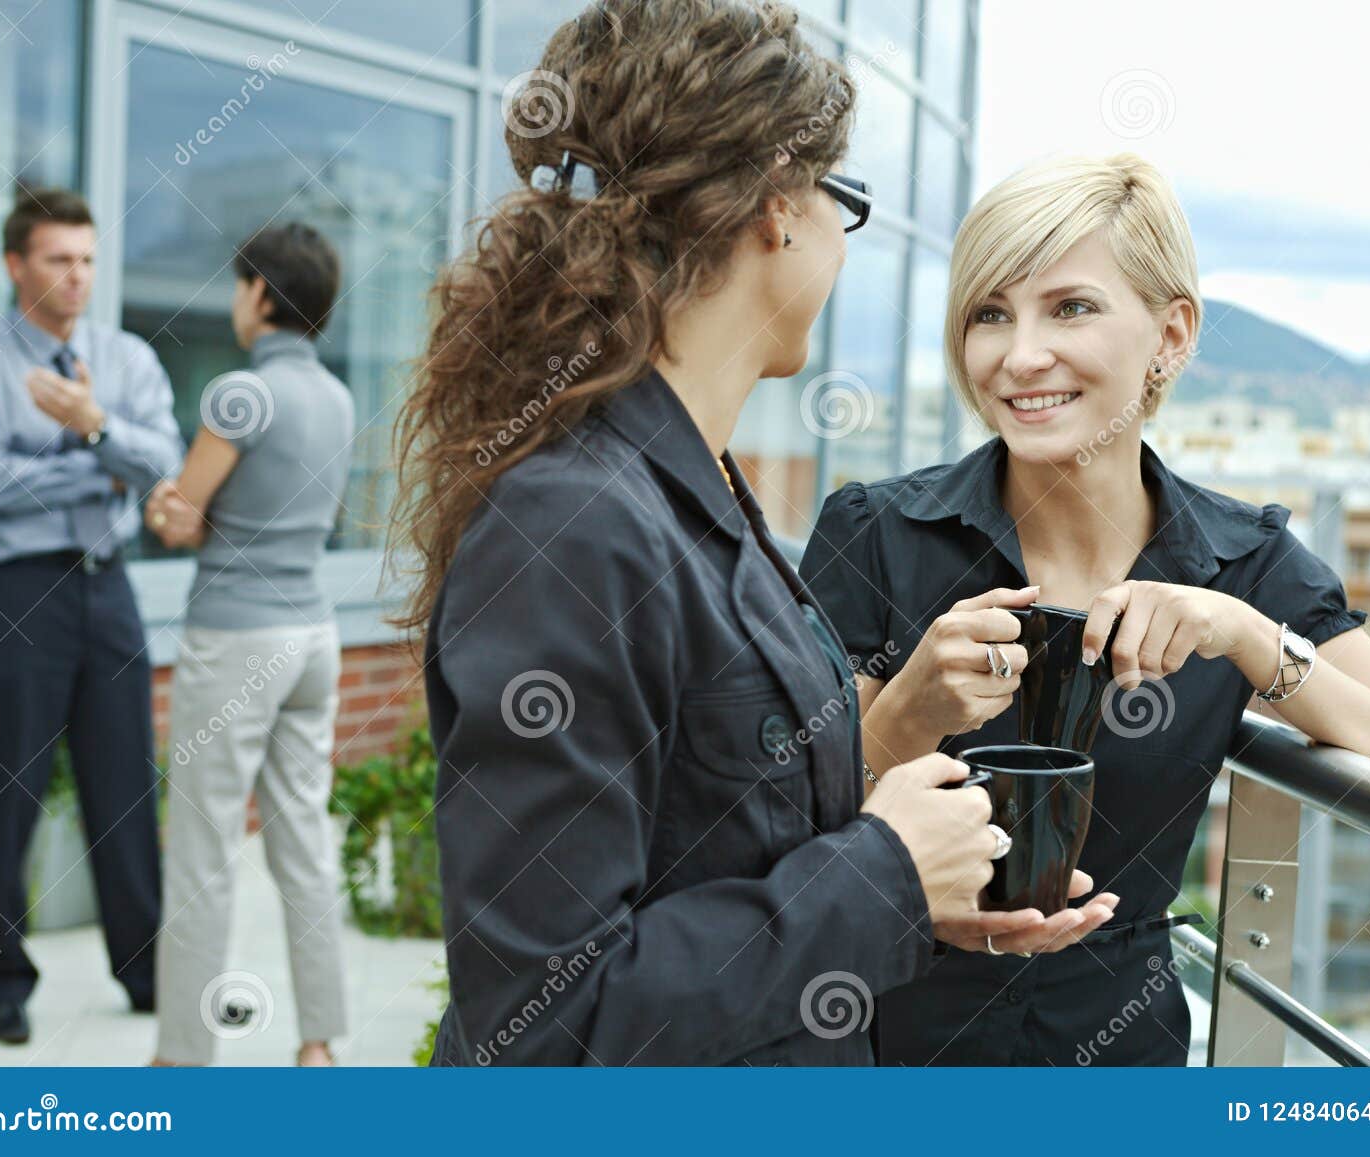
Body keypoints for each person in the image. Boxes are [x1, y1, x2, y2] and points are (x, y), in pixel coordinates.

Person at [389, 0, 1118, 1067]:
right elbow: (545, 1025)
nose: (840, 237)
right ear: (779, 204)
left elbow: (708, 847)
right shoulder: (573, 521)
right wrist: (883, 873)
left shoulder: (689, 481)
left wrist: (916, 891)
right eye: (843, 198)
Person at [799, 153, 1370, 1067]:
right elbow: (779, 815)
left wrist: (1247, 638)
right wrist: (908, 710)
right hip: (876, 1052)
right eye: (989, 315)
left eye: (1070, 307)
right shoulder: (878, 530)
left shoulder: (1245, 566)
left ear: (1172, 333)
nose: (1020, 355)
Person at [0, 187, 184, 1044]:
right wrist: (96, 457)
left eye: (86, 259)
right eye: (57, 259)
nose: (77, 276)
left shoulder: (124, 359)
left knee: (125, 787)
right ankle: (2, 985)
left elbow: (166, 464)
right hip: (15, 595)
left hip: (107, 588)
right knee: (10, 792)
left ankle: (145, 968)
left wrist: (91, 425)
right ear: (16, 265)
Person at [143, 223, 354, 1067]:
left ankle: (184, 1059)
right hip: (314, 632)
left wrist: (164, 500)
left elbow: (178, 519)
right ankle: (319, 1043)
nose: (234, 301)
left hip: (236, 637)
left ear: (262, 293)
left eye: (240, 285)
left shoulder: (239, 392)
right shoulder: (337, 397)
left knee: (203, 847)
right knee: (303, 840)